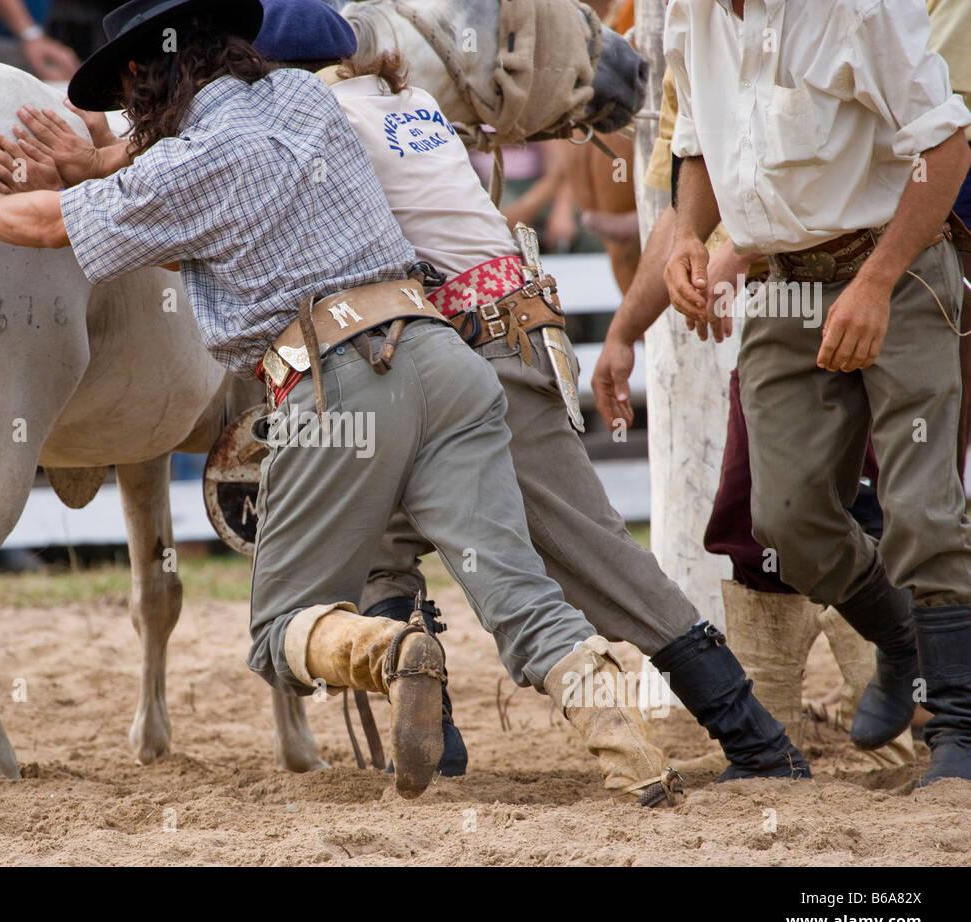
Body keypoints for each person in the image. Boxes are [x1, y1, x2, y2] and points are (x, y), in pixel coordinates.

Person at [0, 0, 684, 805]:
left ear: (145, 76)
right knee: (521, 599)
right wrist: (104, 165)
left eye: (129, 86)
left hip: (340, 382)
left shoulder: (182, 171)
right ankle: (634, 756)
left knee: (280, 629)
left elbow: (45, 227)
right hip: (448, 363)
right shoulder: (309, 100)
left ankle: (389, 654)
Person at [250, 0, 809, 788]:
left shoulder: (316, 123)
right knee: (385, 531)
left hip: (470, 339)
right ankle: (434, 735)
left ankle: (754, 737)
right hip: (477, 335)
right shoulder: (399, 102)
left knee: (590, 555)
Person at [664, 0, 971, 785]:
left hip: (895, 272)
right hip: (783, 280)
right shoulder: (687, 14)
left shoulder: (858, 7)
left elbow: (946, 147)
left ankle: (962, 730)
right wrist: (686, 237)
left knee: (922, 507)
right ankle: (900, 640)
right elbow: (696, 145)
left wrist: (874, 286)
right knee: (784, 519)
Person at [592, 66, 916, 771]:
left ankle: (919, 713)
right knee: (756, 515)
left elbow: (854, 168)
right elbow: (688, 218)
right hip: (781, 310)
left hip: (879, 284)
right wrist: (624, 331)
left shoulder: (826, 29)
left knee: (886, 508)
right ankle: (782, 723)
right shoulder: (691, 51)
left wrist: (743, 245)